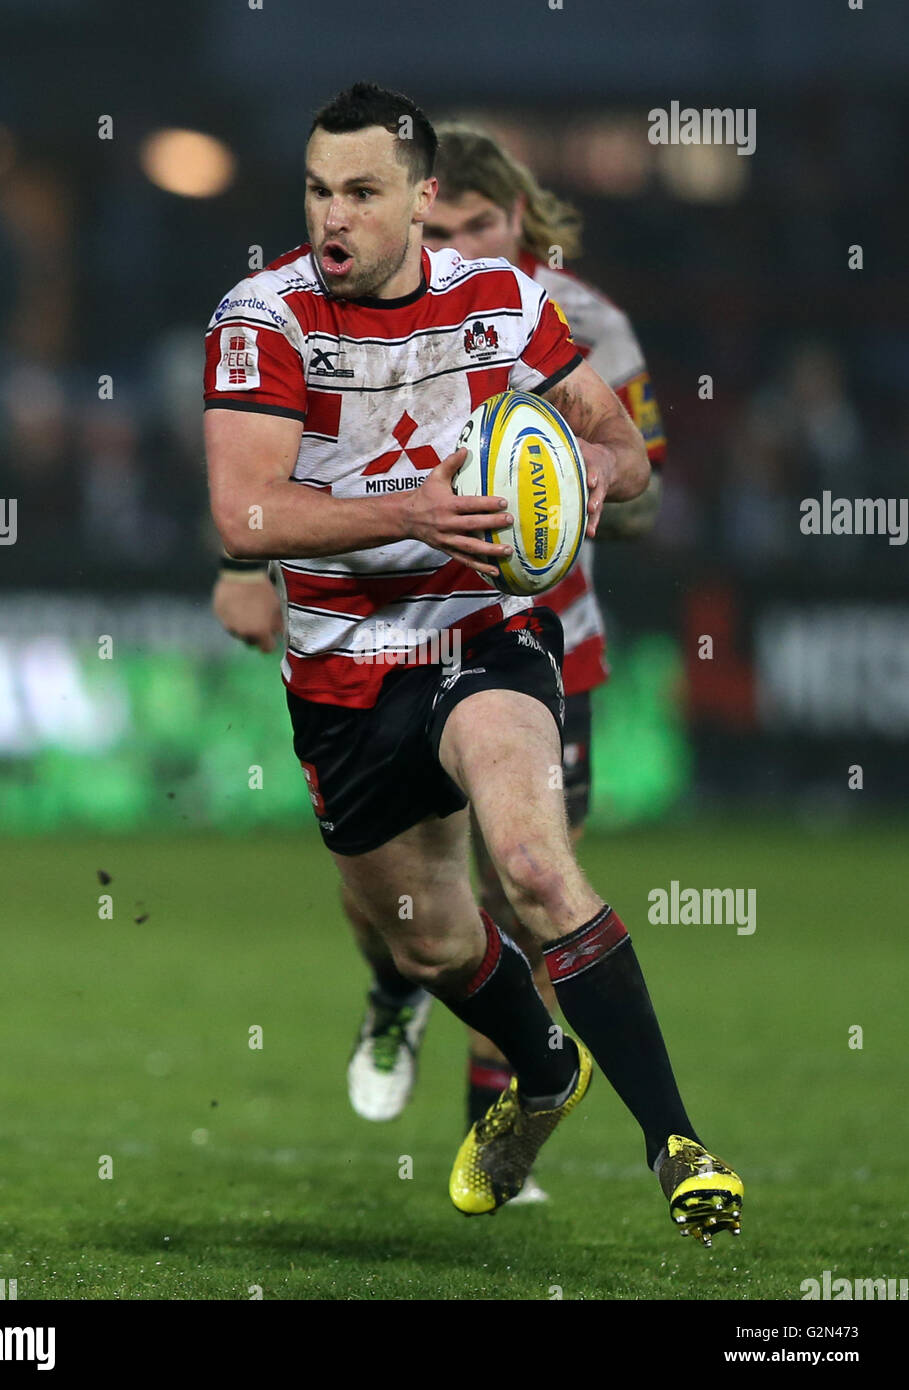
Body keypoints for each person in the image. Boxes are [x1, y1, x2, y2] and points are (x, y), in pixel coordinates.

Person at [205, 82, 742, 1241]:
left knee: (538, 868)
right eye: (316, 190)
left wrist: (594, 475)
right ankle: (545, 1069)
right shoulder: (264, 317)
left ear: (419, 198)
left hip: (482, 632)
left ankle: (679, 1144)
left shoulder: (501, 301)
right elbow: (244, 515)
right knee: (427, 936)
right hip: (343, 676)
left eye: (360, 192)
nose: (330, 216)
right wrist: (414, 509)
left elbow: (622, 448)